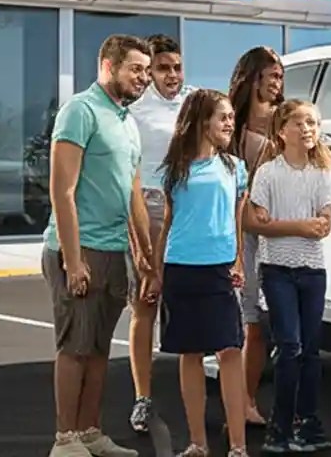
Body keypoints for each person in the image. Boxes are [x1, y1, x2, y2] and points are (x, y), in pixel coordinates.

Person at [41, 35, 155, 457]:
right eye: (136, 69)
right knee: (74, 348)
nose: (144, 78)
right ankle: (65, 440)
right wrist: (73, 261)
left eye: (147, 70)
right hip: (79, 249)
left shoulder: (127, 122)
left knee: (99, 350)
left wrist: (146, 259)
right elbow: (62, 191)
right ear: (109, 66)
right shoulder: (80, 110)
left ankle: (90, 433)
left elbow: (134, 196)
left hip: (113, 252)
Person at [147, 89, 252, 457]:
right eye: (222, 117)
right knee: (189, 355)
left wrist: (239, 261)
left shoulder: (235, 168)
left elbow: (238, 222)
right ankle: (197, 443)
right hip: (180, 270)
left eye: (230, 117)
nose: (229, 123)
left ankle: (238, 446)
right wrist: (156, 273)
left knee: (229, 352)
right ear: (202, 121)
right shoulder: (174, 170)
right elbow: (170, 222)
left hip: (219, 270)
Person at [247, 99, 331, 453]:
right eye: (299, 123)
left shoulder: (322, 175)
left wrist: (284, 226)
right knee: (289, 347)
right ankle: (279, 429)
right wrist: (300, 225)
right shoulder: (268, 173)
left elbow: (324, 226)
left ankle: (307, 423)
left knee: (311, 351)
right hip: (277, 270)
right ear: (282, 131)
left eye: (312, 123)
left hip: (313, 271)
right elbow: (258, 223)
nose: (307, 129)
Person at [124, 33, 195, 433]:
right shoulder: (134, 114)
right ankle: (142, 398)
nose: (172, 75)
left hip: (190, 212)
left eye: (177, 67)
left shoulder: (195, 102)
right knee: (146, 304)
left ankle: (194, 394)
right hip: (150, 210)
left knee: (190, 304)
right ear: (149, 72)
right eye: (164, 68)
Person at [227, 46, 285, 427]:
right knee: (250, 319)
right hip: (242, 232)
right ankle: (243, 402)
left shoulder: (286, 119)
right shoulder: (231, 123)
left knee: (267, 321)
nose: (278, 84)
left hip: (281, 232)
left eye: (280, 77)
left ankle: (251, 399)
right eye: (272, 76)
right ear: (253, 78)